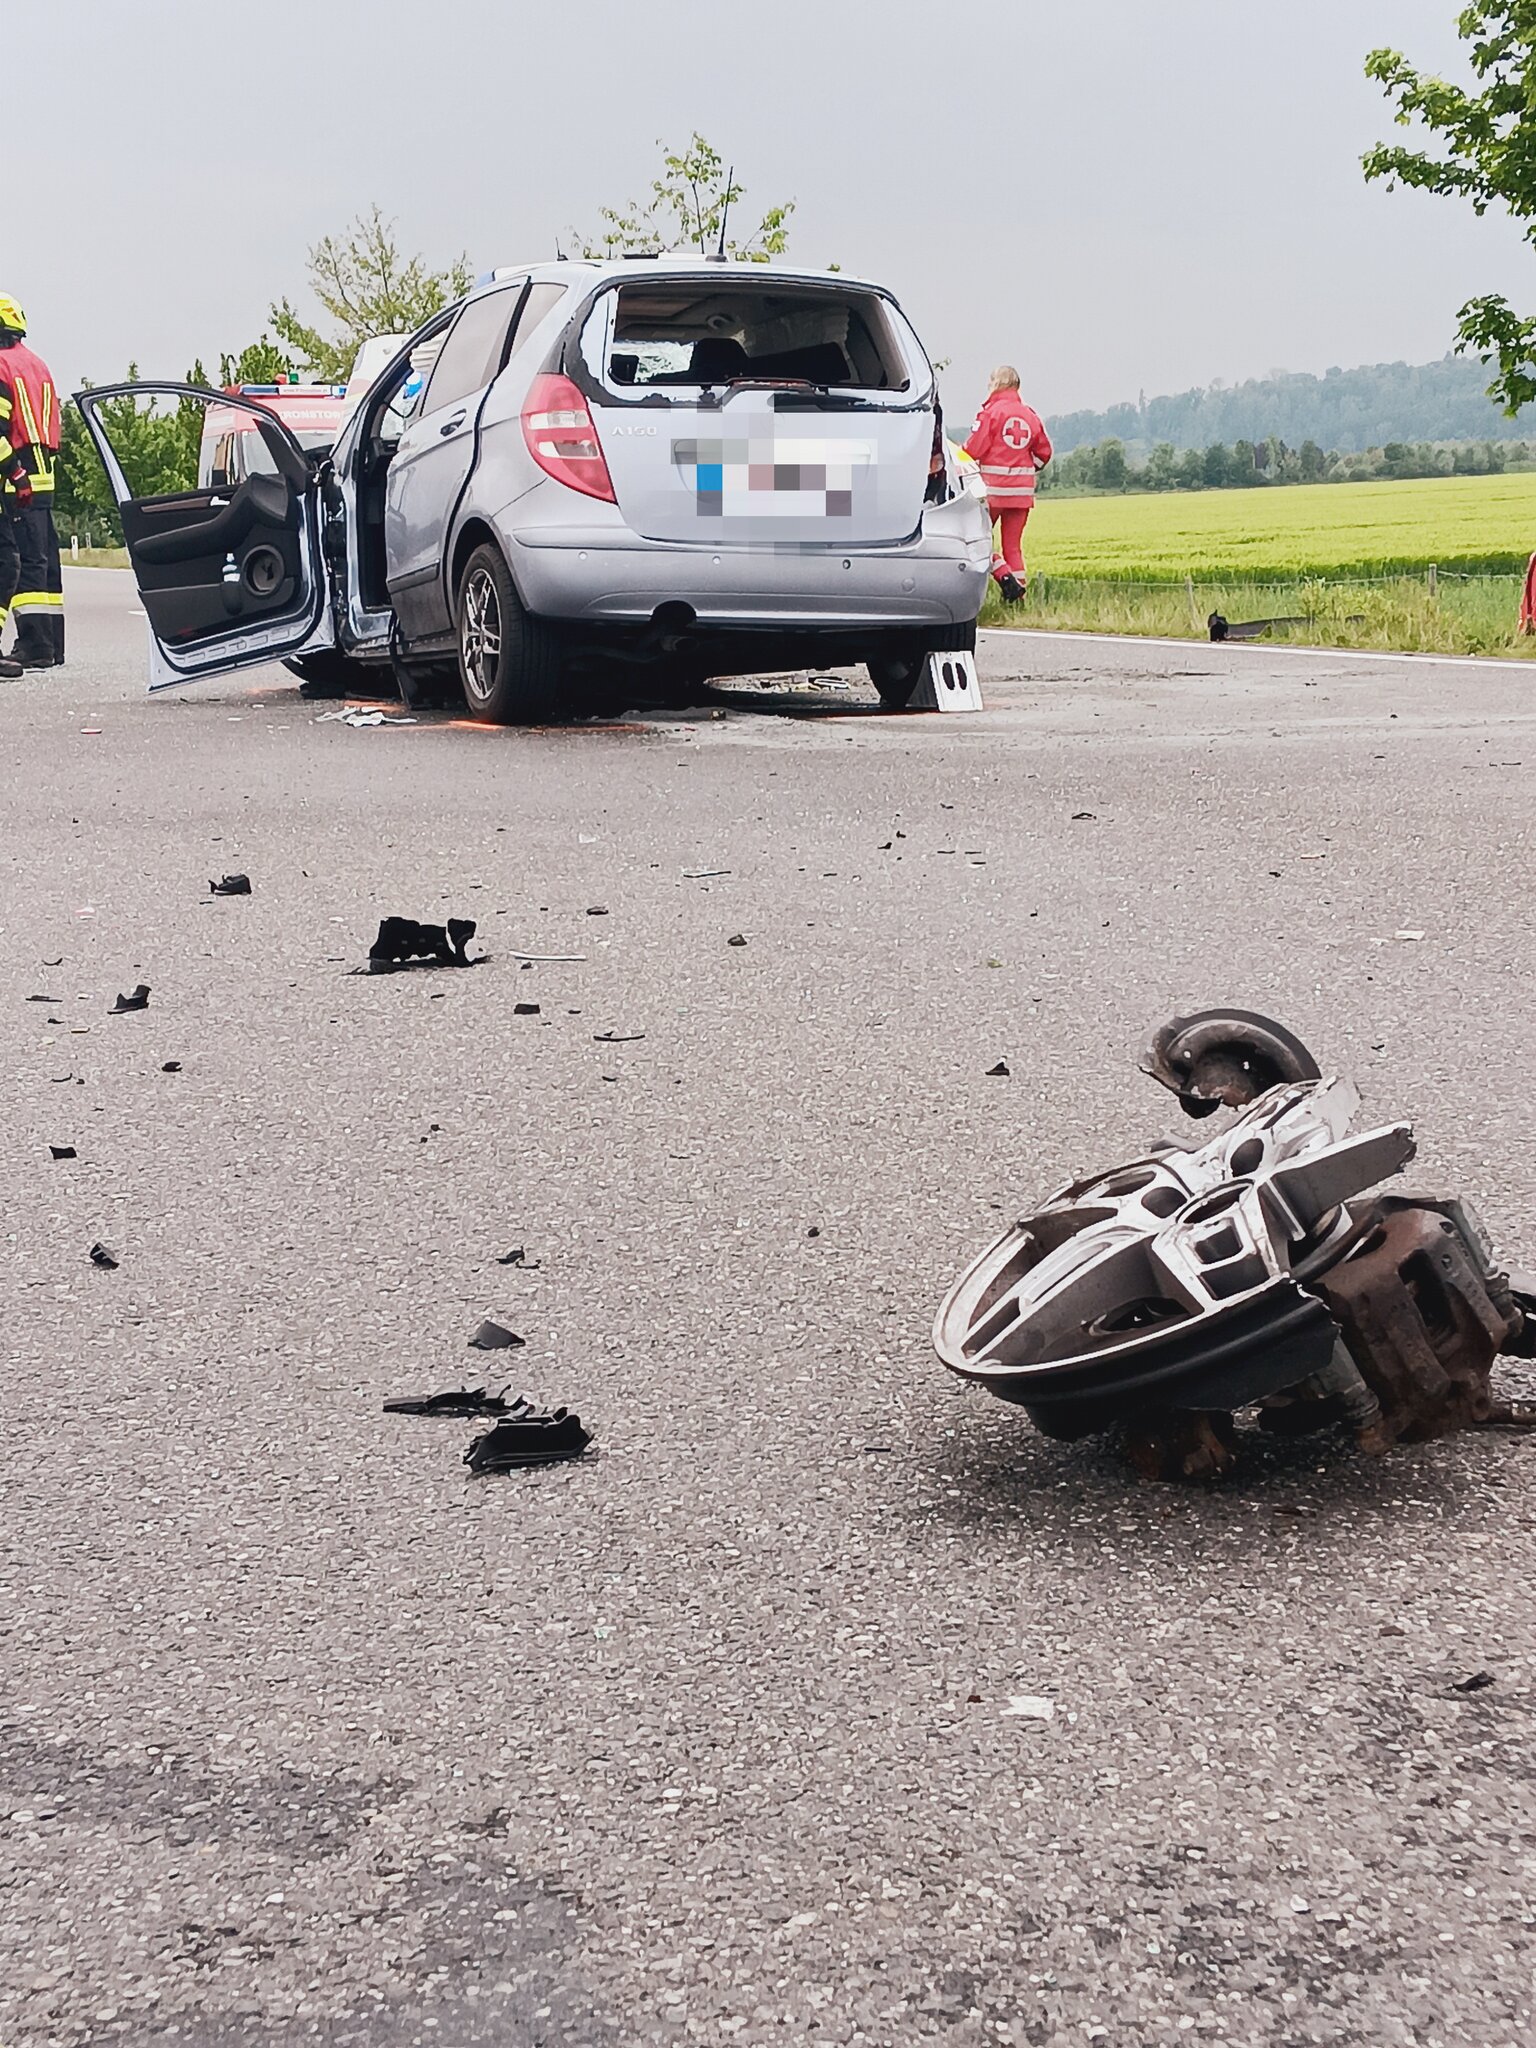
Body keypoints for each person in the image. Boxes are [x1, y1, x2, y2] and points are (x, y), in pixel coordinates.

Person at [0, 295, 64, 666]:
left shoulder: (2, 366)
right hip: (44, 471)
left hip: (16, 475)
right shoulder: (37, 364)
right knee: (45, 561)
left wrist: (14, 473)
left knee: (22, 561)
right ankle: (53, 646)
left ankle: (34, 646)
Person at [964, 365, 1052, 604]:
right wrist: (1024, 470)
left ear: (994, 383)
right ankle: (1018, 599)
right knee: (1013, 547)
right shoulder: (1030, 415)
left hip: (992, 491)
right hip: (1021, 493)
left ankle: (1003, 576)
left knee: (977, 541)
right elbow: (1044, 454)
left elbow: (973, 450)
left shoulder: (990, 413)